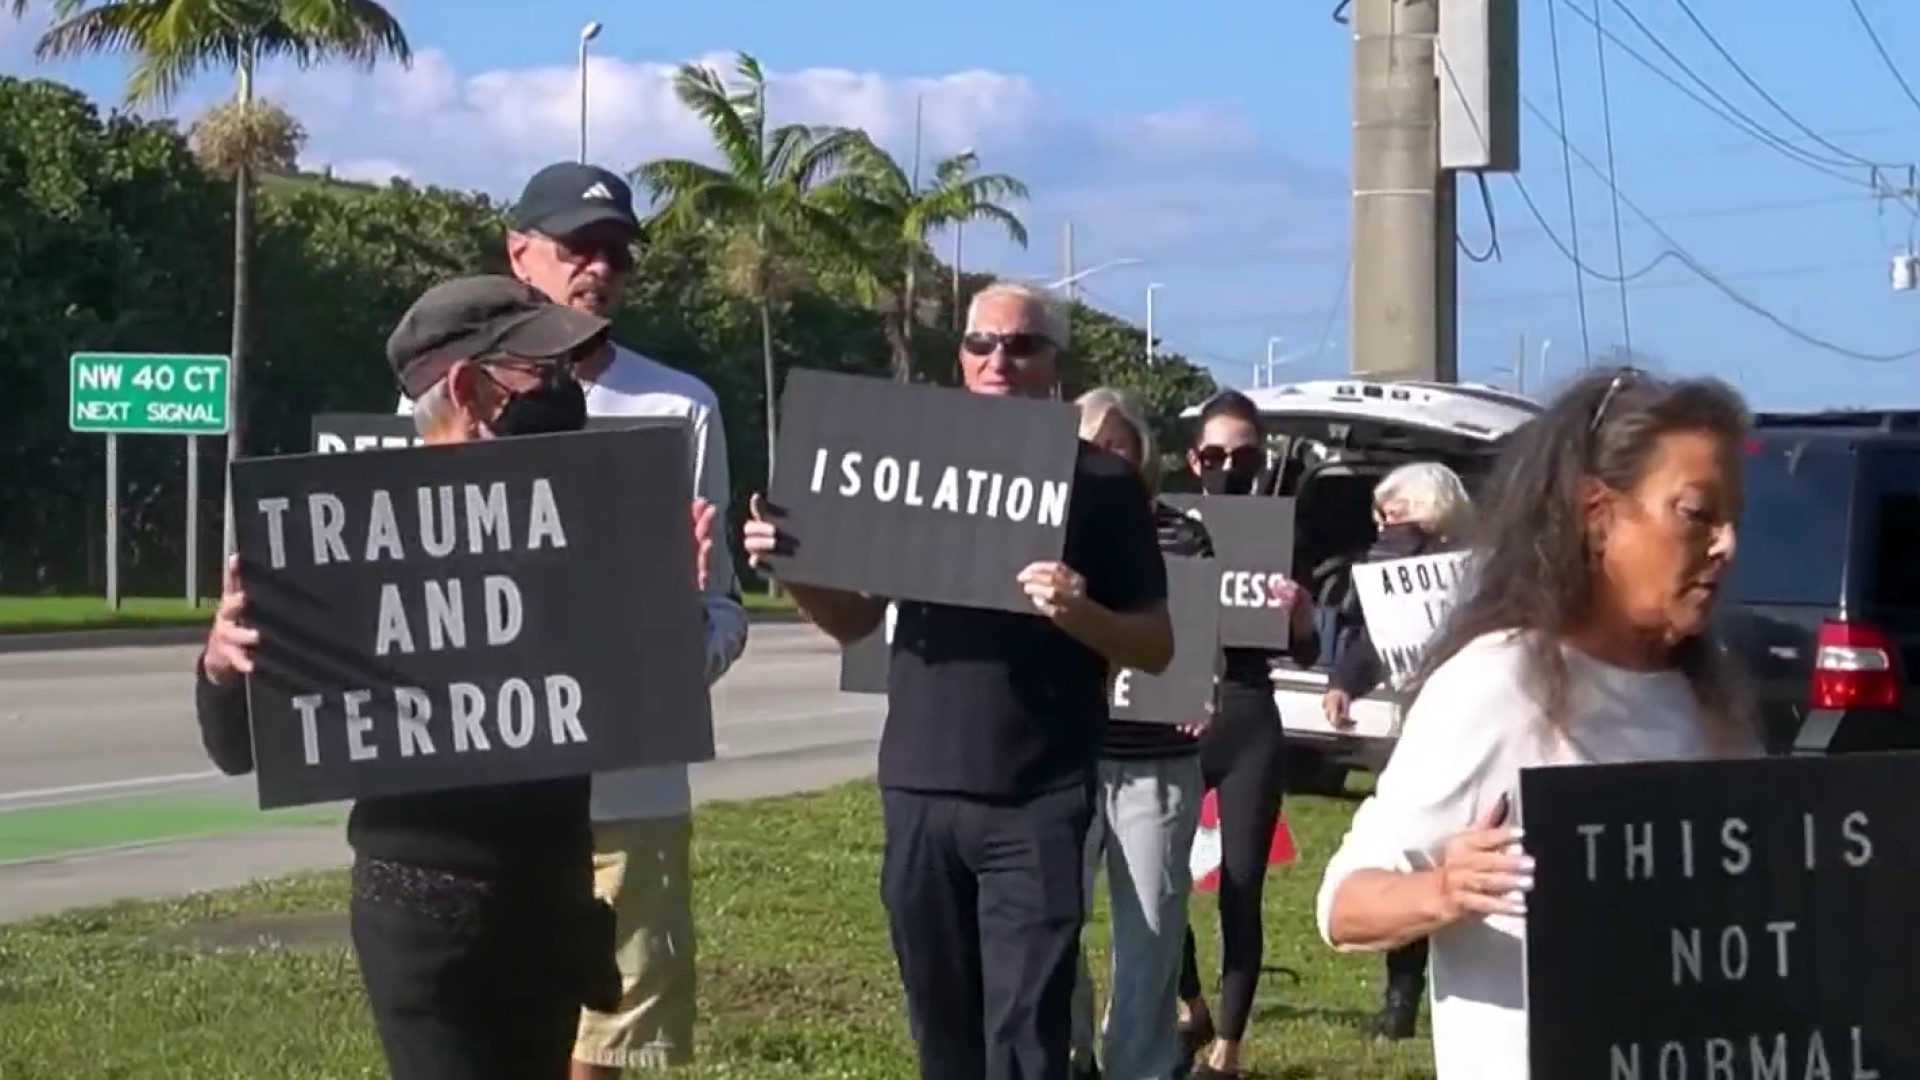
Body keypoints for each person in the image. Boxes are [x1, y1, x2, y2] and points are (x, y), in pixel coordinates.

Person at [196, 275, 717, 1080]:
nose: (567, 391)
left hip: (551, 899)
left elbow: (640, 708)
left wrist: (669, 604)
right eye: (542, 373)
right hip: (424, 912)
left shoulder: (591, 527)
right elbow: (238, 749)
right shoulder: (339, 539)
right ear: (471, 390)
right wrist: (223, 662)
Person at [742, 280, 1175, 1080]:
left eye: (1021, 345)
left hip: (1038, 796)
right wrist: (791, 567)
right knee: (942, 1032)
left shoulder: (1103, 485)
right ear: (961, 359)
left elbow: (1155, 646)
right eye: (981, 343)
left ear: (1055, 362)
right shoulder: (913, 467)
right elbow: (855, 622)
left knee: (1026, 1037)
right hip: (919, 786)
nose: (998, 359)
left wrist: (1079, 612)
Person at [397, 160, 750, 1078]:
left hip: (630, 796)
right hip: (483, 803)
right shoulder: (434, 402)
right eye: (577, 248)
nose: (598, 269)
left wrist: (671, 638)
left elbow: (722, 612)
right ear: (519, 253)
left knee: (609, 1046)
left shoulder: (680, 406)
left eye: (618, 254)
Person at [1315, 367, 1759, 1079]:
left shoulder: (1711, 703)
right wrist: (1445, 890)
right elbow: (1343, 903)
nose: (1726, 544)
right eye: (1696, 513)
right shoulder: (1497, 684)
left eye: (1734, 519)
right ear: (1598, 514)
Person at [1067, 387, 1214, 1080]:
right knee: (1047, 921)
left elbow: (1202, 637)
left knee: (1153, 927)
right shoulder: (1046, 525)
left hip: (1156, 760)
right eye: (1091, 444)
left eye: (1117, 446)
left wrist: (1204, 688)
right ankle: (1067, 1056)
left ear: (1142, 455)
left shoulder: (1183, 534)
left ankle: (1140, 1065)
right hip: (1066, 755)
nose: (1105, 457)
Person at [1173, 390, 1319, 1080]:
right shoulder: (1169, 526)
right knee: (1157, 877)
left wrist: (1299, 614)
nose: (1228, 468)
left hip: (1250, 714)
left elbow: (1307, 649)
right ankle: (1191, 1003)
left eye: (1244, 457)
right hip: (1178, 713)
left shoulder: (1279, 537)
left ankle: (1226, 1049)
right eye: (1214, 455)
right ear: (1192, 459)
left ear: (1261, 463)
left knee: (1240, 886)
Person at [1317, 460, 1473, 1042]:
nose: (1385, 525)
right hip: (1415, 729)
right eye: (1380, 515)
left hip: (1472, 728)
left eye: (1397, 512)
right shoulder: (1386, 570)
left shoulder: (1477, 571)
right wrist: (1343, 682)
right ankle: (1400, 1002)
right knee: (1411, 856)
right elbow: (1372, 640)